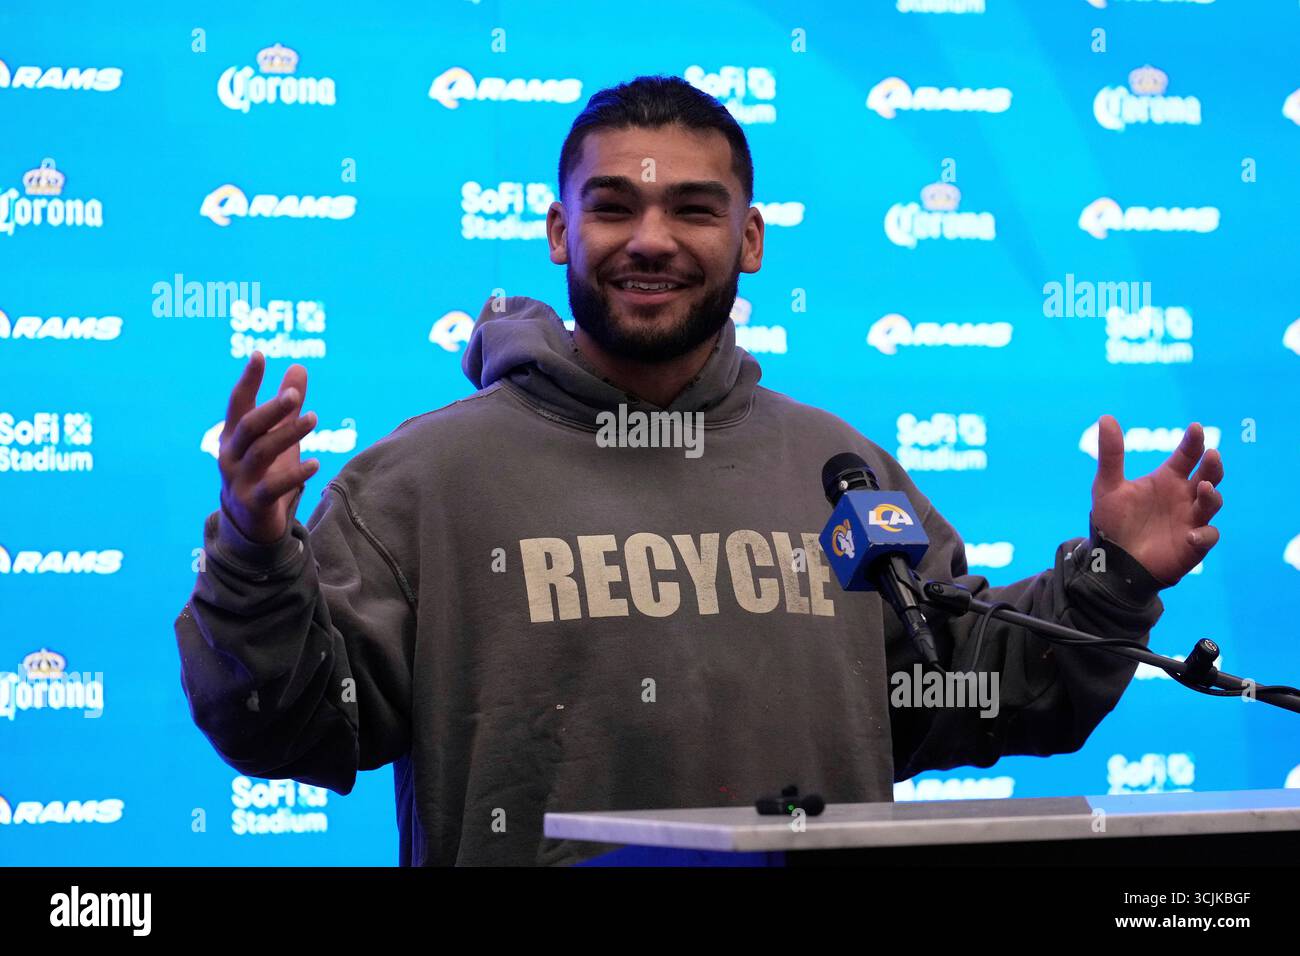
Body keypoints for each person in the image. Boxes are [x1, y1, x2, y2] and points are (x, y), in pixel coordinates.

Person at [174, 75, 1225, 866]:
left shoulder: (840, 469)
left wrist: (1113, 576)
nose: (650, 240)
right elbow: (294, 725)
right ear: (556, 230)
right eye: (612, 208)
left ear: (751, 237)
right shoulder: (422, 479)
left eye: (691, 207)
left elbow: (971, 687)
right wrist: (255, 556)